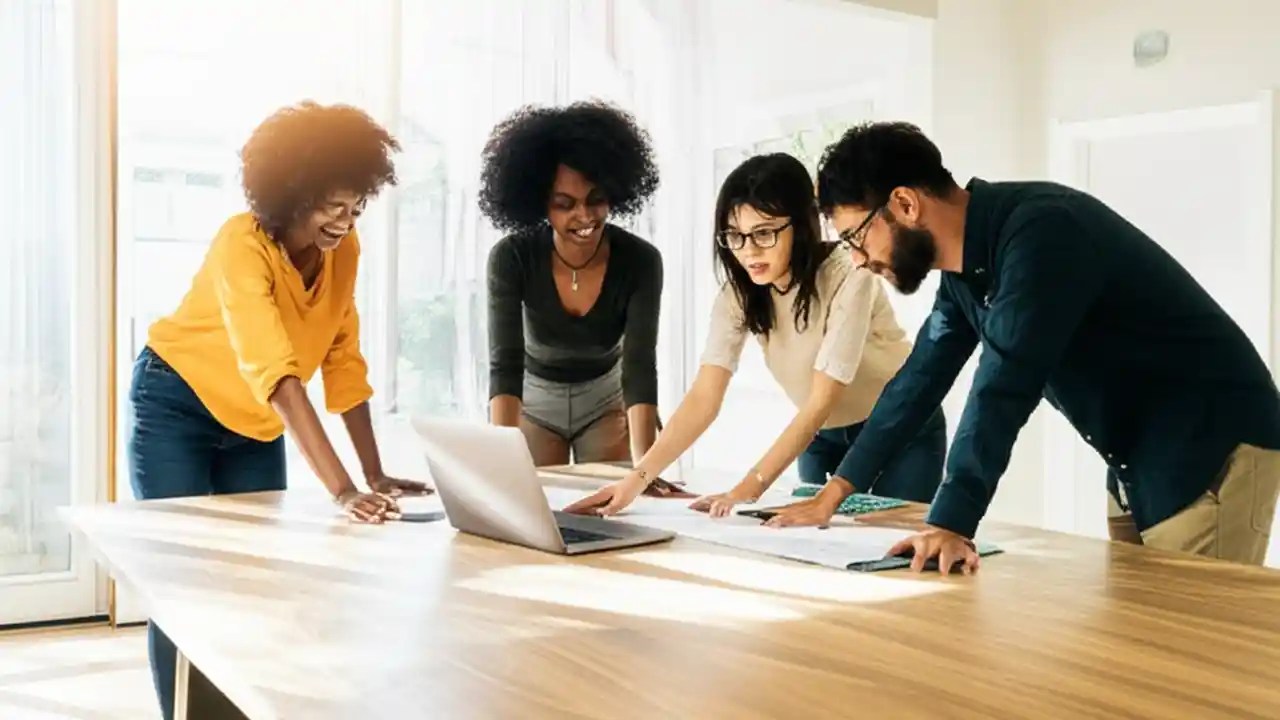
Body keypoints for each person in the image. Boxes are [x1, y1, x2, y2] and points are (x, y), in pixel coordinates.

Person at [767, 120, 1280, 574]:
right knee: (1139, 633)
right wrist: (836, 493)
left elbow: (1004, 385)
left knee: (1193, 637)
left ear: (905, 203)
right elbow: (918, 381)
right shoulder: (965, 274)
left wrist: (951, 522)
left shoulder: (1042, 232)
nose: (858, 259)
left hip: (1210, 442)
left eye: (856, 237)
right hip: (1134, 455)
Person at [129, 101, 429, 719]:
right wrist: (342, 490)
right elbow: (277, 372)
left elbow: (343, 358)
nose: (344, 221)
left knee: (256, 582)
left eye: (356, 207)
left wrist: (374, 473)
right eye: (331, 206)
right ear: (292, 194)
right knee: (182, 582)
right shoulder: (242, 243)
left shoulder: (344, 251)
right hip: (175, 406)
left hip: (255, 425)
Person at [563, 153, 946, 518]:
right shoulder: (740, 293)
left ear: (801, 226)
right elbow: (704, 397)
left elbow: (821, 400)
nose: (748, 251)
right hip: (822, 438)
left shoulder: (850, 272)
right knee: (817, 545)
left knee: (892, 545)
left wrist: (746, 490)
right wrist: (635, 480)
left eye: (764, 233)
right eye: (735, 236)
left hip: (901, 427)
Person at [480, 100, 664, 467]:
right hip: (534, 402)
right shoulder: (511, 258)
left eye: (596, 199)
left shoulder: (640, 260)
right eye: (565, 204)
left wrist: (646, 470)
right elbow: (505, 366)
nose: (584, 216)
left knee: (613, 498)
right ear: (540, 204)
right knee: (533, 496)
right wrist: (502, 461)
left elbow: (640, 366)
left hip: (606, 400)